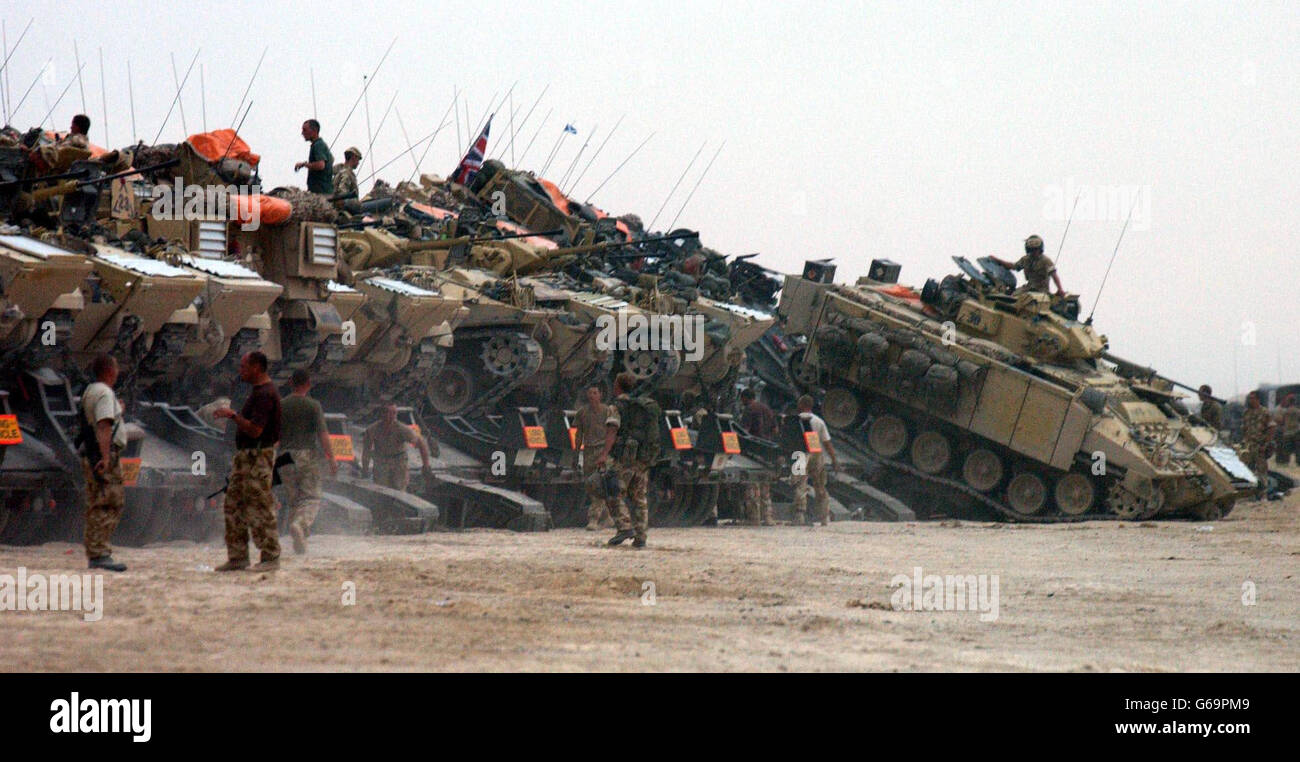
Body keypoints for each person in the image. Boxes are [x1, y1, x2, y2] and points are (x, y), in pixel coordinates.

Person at [212, 352, 282, 571]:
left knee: (259, 506)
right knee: (234, 505)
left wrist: (232, 416)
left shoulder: (265, 395)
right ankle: (238, 556)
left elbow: (255, 430)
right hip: (247, 457)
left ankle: (270, 556)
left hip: (256, 457)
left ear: (257, 368)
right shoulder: (258, 392)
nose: (241, 372)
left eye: (244, 367)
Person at [278, 369, 338, 554]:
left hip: (284, 458)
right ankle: (299, 525)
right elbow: (323, 435)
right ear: (308, 384)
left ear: (290, 383)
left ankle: (300, 539)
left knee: (295, 500)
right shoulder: (313, 406)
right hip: (305, 456)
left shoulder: (281, 405)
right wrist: (331, 458)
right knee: (311, 497)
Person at [79, 354, 128, 572]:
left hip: (91, 452)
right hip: (103, 455)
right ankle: (100, 553)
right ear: (110, 371)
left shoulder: (92, 391)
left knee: (97, 501)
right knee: (109, 502)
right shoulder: (105, 393)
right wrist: (106, 457)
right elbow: (104, 425)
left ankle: (96, 551)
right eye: (116, 368)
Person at [607, 372, 658, 548]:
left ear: (617, 386)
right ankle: (641, 536)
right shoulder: (641, 405)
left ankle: (624, 527)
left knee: (613, 490)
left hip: (625, 457)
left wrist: (604, 454)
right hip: (643, 456)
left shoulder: (617, 406)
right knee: (639, 497)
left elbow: (612, 431)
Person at [572, 385, 619, 531]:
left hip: (603, 451)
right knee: (591, 485)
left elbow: (613, 432)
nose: (592, 395)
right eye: (590, 393)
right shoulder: (582, 413)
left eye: (595, 393)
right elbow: (578, 434)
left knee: (600, 483)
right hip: (588, 452)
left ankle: (594, 519)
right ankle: (607, 517)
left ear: (600, 395)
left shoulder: (608, 411)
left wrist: (609, 453)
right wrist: (576, 453)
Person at [362, 402, 432, 492]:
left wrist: (426, 465)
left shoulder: (401, 428)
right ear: (382, 414)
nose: (392, 416)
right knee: (380, 490)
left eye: (394, 413)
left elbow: (421, 443)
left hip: (398, 462)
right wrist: (365, 469)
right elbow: (366, 450)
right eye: (388, 412)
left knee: (399, 489)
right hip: (381, 462)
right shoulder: (373, 429)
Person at [791, 394, 839, 526]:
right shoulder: (819, 421)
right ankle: (824, 517)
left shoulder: (795, 420)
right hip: (817, 454)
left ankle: (800, 516)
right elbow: (827, 442)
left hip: (800, 454)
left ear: (801, 405)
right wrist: (834, 460)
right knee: (820, 486)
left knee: (800, 484)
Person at [739, 388, 777, 526]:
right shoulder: (767, 409)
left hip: (754, 450)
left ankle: (754, 518)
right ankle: (768, 517)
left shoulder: (749, 409)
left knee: (753, 485)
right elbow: (775, 429)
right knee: (765, 485)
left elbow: (745, 432)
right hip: (767, 450)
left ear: (745, 398)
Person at [991, 234, 1064, 295]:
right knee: (1008, 296)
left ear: (1040, 249)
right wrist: (998, 260)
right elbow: (1014, 266)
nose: (1034, 252)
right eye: (1031, 250)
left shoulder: (1046, 261)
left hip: (1041, 292)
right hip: (1027, 288)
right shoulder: (1026, 259)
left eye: (1036, 249)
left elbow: (1054, 275)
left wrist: (1060, 289)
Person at [1240, 391, 1274, 499]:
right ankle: (1249, 494)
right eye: (1249, 398)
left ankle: (1263, 494)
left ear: (1258, 399)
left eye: (1253, 398)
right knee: (1247, 471)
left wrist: (1266, 444)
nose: (1251, 400)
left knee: (1261, 471)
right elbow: (1244, 428)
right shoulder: (1247, 413)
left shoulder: (1265, 412)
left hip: (1260, 446)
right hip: (1248, 446)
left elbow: (1271, 428)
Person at [295, 119, 333, 196]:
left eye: (305, 130)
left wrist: (304, 164)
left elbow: (320, 165)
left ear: (314, 130)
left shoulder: (318, 145)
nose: (302, 133)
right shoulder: (320, 144)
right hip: (324, 191)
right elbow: (332, 159)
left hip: (321, 193)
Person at [1274, 394, 1300, 466]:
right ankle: (1299, 462)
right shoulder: (1298, 411)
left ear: (1289, 402)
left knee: (1286, 448)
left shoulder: (1285, 411)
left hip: (1287, 432)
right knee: (1298, 448)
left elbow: (1281, 420)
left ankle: (1285, 462)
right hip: (1296, 431)